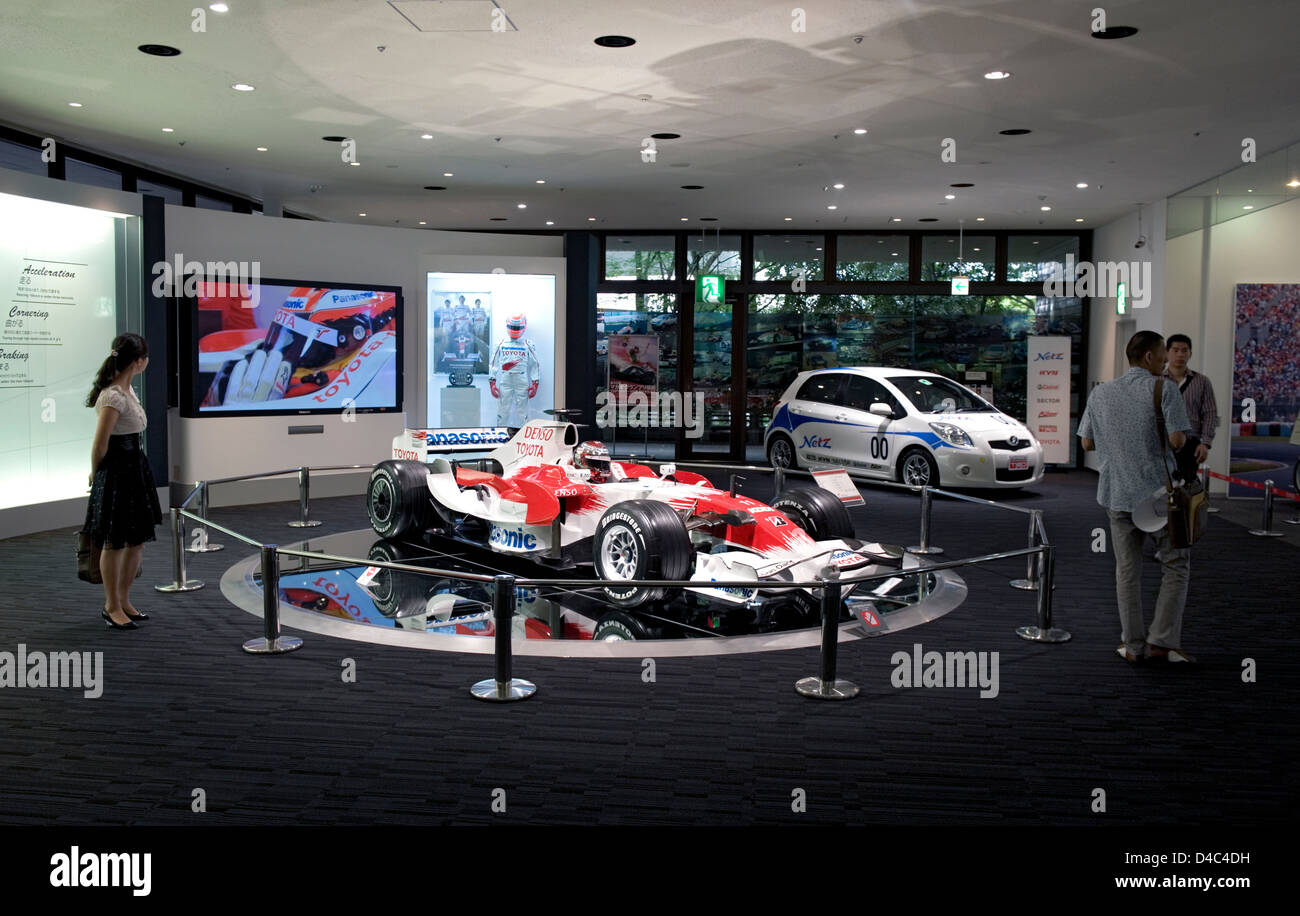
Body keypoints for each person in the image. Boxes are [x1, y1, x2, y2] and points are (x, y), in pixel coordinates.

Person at [1078, 330, 1195, 663]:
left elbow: (1086, 443)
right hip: (1158, 496)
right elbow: (1175, 441)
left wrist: (1118, 442)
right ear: (1148, 357)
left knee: (1127, 572)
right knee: (1175, 566)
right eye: (1162, 356)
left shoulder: (1100, 394)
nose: (1166, 362)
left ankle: (1132, 645)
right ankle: (1161, 640)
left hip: (1116, 494)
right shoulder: (1164, 388)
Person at [84, 333, 163, 629]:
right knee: (114, 542)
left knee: (136, 541)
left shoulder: (129, 391)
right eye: (146, 357)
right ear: (138, 362)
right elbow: (100, 444)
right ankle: (111, 605)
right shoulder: (113, 395)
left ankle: (125, 599)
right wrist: (96, 473)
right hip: (117, 472)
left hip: (136, 469)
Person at [1163, 333, 1219, 469]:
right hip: (1162, 443)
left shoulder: (1202, 382)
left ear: (1190, 354)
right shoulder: (1157, 380)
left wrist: (1205, 443)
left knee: (1187, 487)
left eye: (1184, 350)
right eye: (1175, 350)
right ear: (1167, 353)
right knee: (1161, 487)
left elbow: (1210, 414)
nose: (1180, 355)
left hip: (1190, 443)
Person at [489, 313, 541, 427]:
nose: (515, 330)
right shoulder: (501, 343)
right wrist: (492, 382)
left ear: (523, 326)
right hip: (506, 379)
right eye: (513, 327)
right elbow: (493, 363)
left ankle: (524, 436)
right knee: (503, 410)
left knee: (523, 412)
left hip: (521, 380)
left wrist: (535, 382)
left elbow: (535, 364)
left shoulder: (528, 344)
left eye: (517, 328)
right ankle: (500, 434)